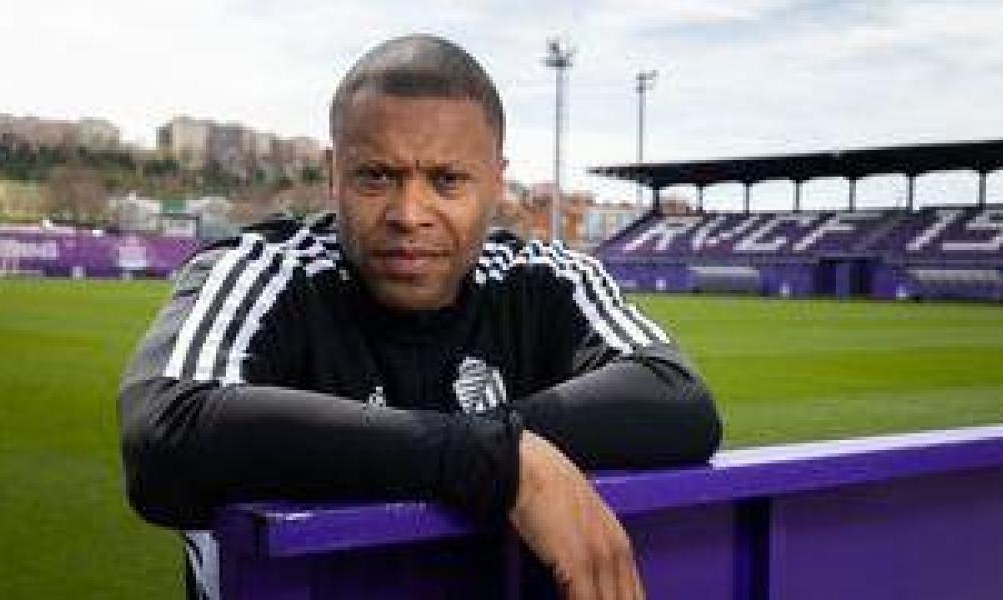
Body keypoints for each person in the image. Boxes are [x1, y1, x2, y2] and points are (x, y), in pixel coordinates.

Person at [118, 34, 721, 600]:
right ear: (334, 177)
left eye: (447, 180)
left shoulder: (543, 276)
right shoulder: (263, 271)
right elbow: (166, 432)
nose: (410, 212)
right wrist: (498, 460)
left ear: (495, 183)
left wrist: (487, 447)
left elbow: (676, 397)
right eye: (377, 177)